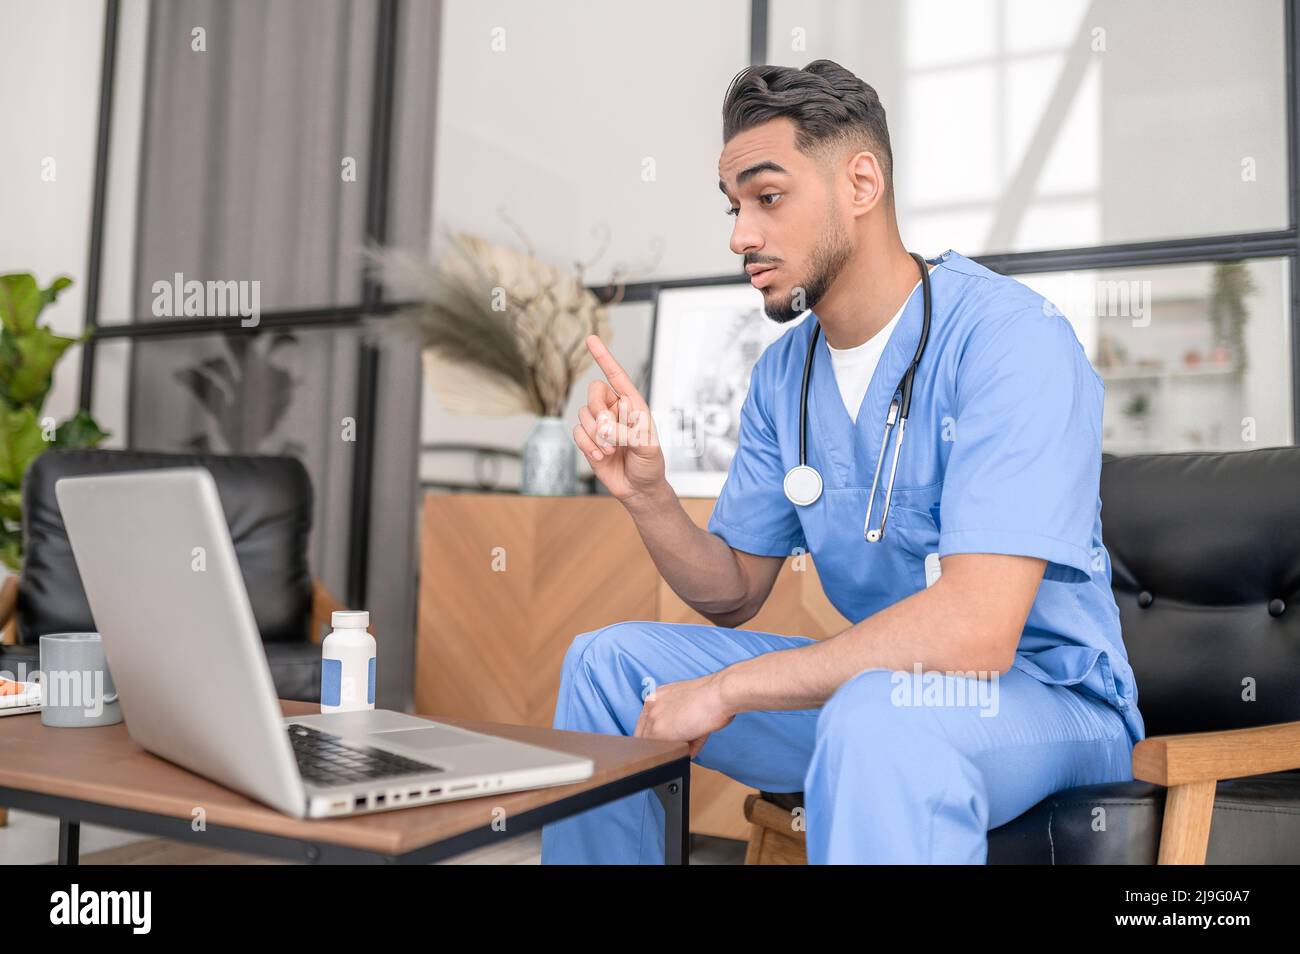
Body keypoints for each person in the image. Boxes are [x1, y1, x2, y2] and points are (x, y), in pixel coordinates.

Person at [540, 59, 1144, 864]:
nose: (739, 236)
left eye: (768, 197)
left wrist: (724, 691)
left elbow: (976, 632)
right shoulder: (783, 376)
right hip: (882, 695)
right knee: (607, 665)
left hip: (1048, 703)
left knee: (879, 719)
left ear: (861, 183)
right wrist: (648, 496)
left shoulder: (1011, 341)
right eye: (733, 207)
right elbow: (732, 594)